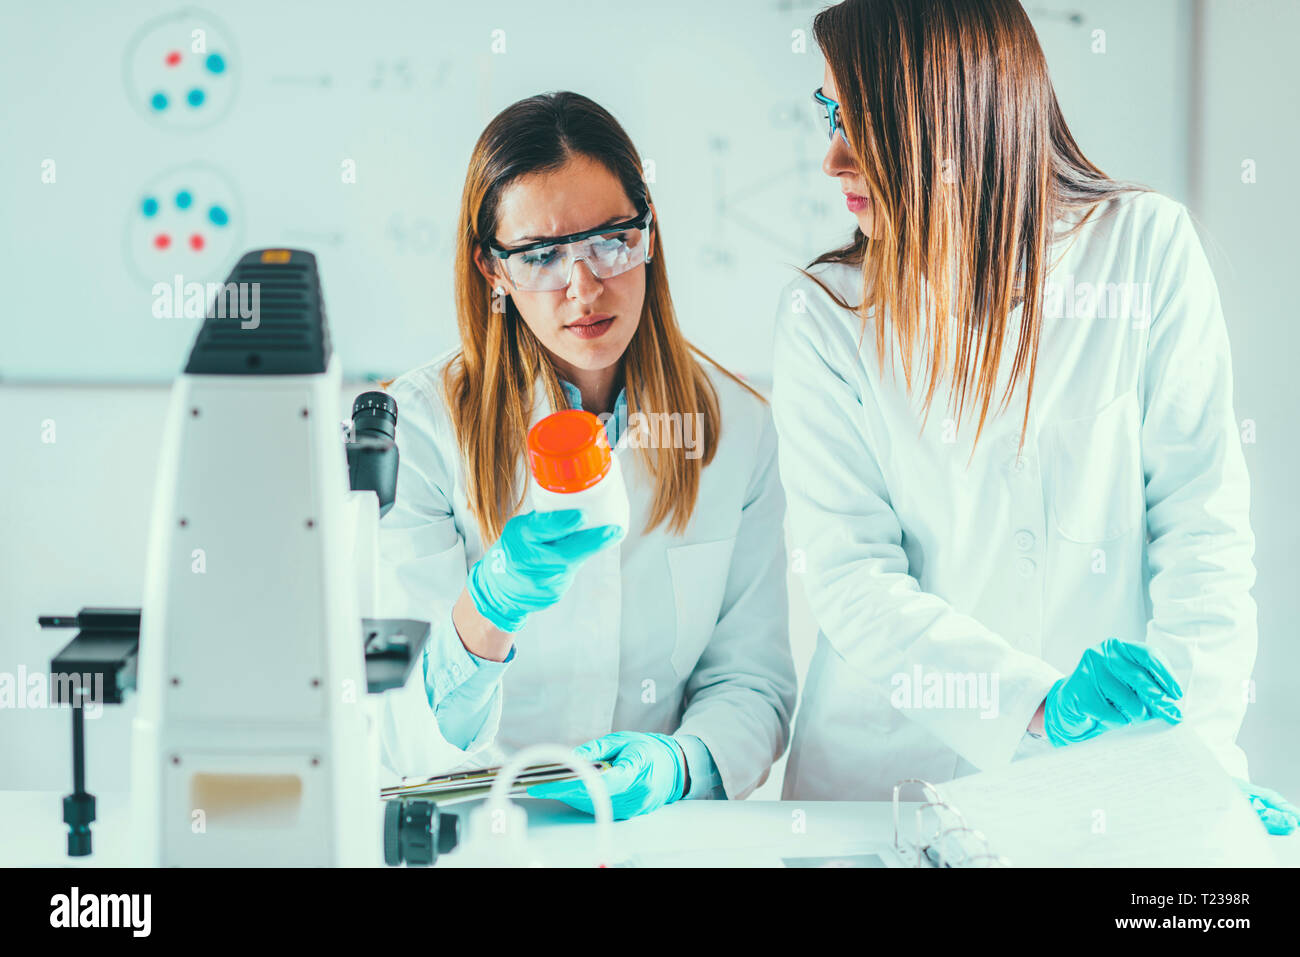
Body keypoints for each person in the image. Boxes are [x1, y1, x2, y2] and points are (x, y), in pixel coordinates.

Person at [772, 0, 1297, 835]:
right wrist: (1037, 702)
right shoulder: (828, 315)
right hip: (877, 791)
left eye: (863, 122)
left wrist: (1192, 773)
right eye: (831, 113)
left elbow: (1202, 536)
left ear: (955, 119)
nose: (834, 158)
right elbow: (852, 578)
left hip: (1095, 792)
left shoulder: (1145, 249)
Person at [377, 91, 796, 820]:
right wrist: (487, 611)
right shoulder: (417, 431)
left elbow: (752, 684)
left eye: (609, 239)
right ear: (493, 271)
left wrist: (680, 763)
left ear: (649, 234)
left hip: (656, 834)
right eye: (540, 256)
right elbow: (403, 730)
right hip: (482, 835)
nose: (584, 287)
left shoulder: (739, 428)